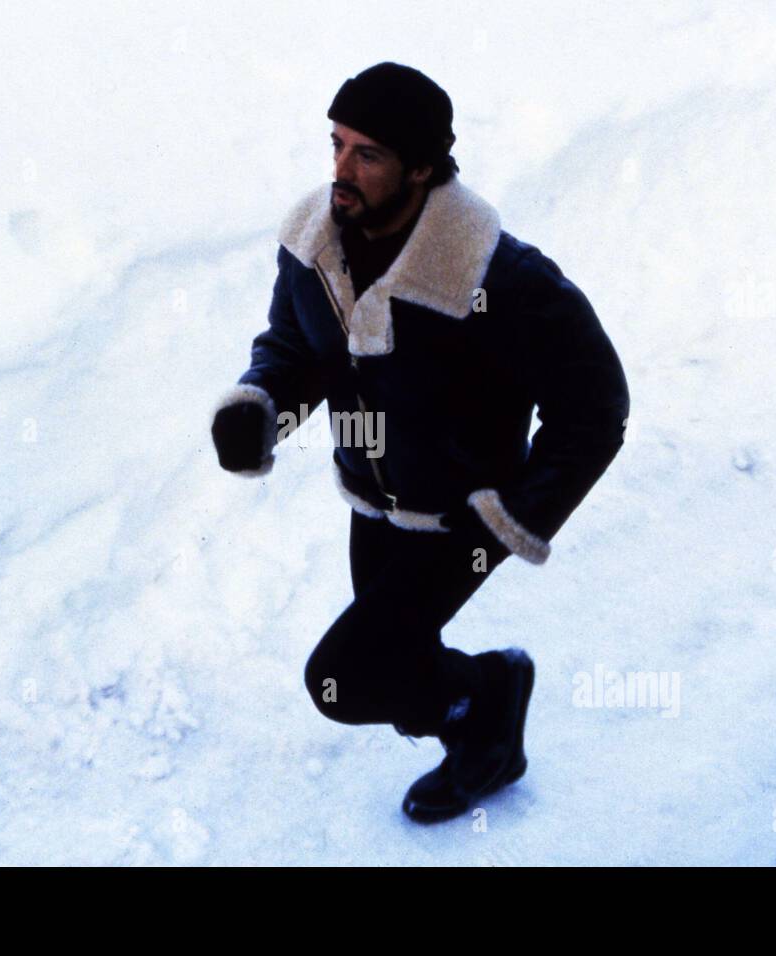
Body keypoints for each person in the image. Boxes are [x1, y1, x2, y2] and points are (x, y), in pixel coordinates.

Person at [211, 62, 630, 823]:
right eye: (336, 144)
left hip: (461, 518)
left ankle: (487, 704)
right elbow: (296, 349)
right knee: (396, 656)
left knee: (342, 680)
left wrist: (514, 514)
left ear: (423, 166)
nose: (341, 170)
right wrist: (261, 406)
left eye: (366, 154)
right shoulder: (313, 244)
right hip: (370, 496)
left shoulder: (500, 280)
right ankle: (483, 708)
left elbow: (596, 408)